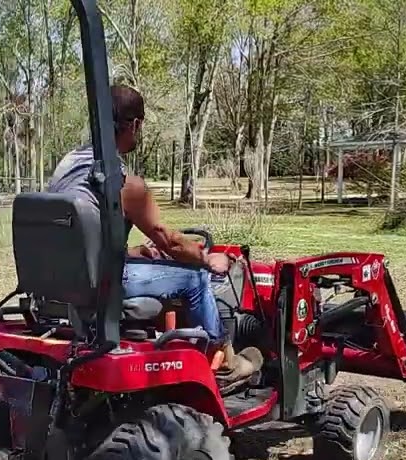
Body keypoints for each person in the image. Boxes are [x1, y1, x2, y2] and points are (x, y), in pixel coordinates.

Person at [46, 83, 258, 383]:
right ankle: (224, 359)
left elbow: (82, 233)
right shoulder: (121, 182)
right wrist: (207, 259)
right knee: (196, 278)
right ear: (134, 125)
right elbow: (169, 240)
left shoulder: (68, 165)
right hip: (103, 283)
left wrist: (131, 252)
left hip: (66, 277)